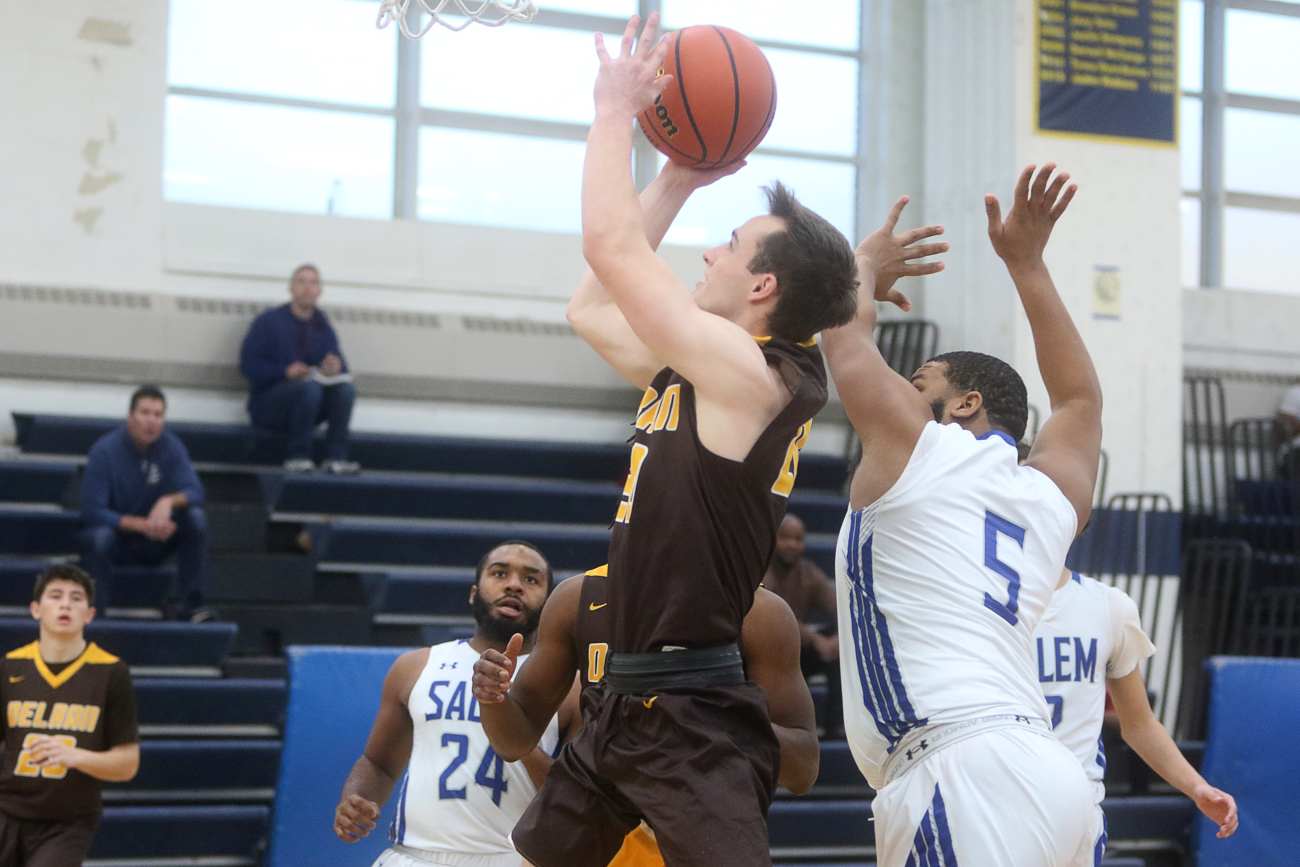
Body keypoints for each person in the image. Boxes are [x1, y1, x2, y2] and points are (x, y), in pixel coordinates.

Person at [474, 14, 858, 867]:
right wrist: (679, 177)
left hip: (693, 708)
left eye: (729, 244)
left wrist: (614, 114)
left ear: (762, 285)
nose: (709, 252)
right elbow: (591, 307)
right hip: (619, 697)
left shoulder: (753, 377)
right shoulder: (706, 369)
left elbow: (609, 244)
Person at [822, 164, 1104, 865]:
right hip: (1055, 776)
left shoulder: (916, 450)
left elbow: (844, 338)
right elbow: (1078, 403)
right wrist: (1027, 265)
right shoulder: (1049, 495)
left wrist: (863, 264)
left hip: (962, 767)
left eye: (920, 382)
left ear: (967, 403)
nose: (904, 394)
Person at [470, 563, 820, 866]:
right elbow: (514, 742)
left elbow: (802, 769)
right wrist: (493, 699)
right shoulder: (579, 595)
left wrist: (712, 717)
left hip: (708, 834)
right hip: (598, 837)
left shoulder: (759, 610)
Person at [334, 542, 577, 867]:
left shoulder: (572, 686)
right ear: (474, 593)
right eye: (500, 573)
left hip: (512, 859)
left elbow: (576, 795)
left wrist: (510, 728)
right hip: (411, 856)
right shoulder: (414, 666)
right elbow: (378, 764)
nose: (514, 584)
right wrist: (356, 800)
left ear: (549, 605)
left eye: (531, 579)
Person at [1036, 568, 1239, 858]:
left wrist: (1198, 787)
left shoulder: (1108, 606)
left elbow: (1140, 724)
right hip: (998, 800)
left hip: (1074, 812)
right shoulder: (979, 604)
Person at [0, 566, 139, 866]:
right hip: (6, 810)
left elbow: (128, 764)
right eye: (56, 596)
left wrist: (75, 756)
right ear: (36, 610)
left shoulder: (111, 672)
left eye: (76, 598)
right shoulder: (9, 667)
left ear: (89, 614)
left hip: (68, 822)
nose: (65, 604)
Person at [79, 386, 208, 619]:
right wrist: (142, 525)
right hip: (118, 540)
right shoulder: (104, 451)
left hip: (154, 540)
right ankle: (95, 616)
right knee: (98, 537)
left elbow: (197, 491)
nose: (151, 421)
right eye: (145, 413)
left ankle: (193, 606)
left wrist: (169, 501)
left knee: (195, 518)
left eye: (158, 415)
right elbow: (92, 512)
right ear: (130, 417)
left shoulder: (172, 447)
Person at [239, 264, 359, 474]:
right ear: (291, 288)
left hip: (309, 402)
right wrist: (284, 372)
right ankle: (299, 456)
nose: (307, 288)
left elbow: (339, 361)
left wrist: (335, 367)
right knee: (309, 389)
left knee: (345, 391)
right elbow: (248, 365)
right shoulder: (268, 321)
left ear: (320, 291)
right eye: (301, 282)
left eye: (313, 283)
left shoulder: (323, 325)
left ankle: (336, 458)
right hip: (269, 404)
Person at [763, 513, 842, 737]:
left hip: (798, 652)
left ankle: (834, 730)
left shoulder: (807, 571)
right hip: (769, 654)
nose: (792, 545)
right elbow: (777, 616)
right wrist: (816, 640)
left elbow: (839, 607)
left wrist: (838, 641)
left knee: (842, 648)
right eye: (785, 538)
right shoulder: (763, 570)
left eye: (798, 539)